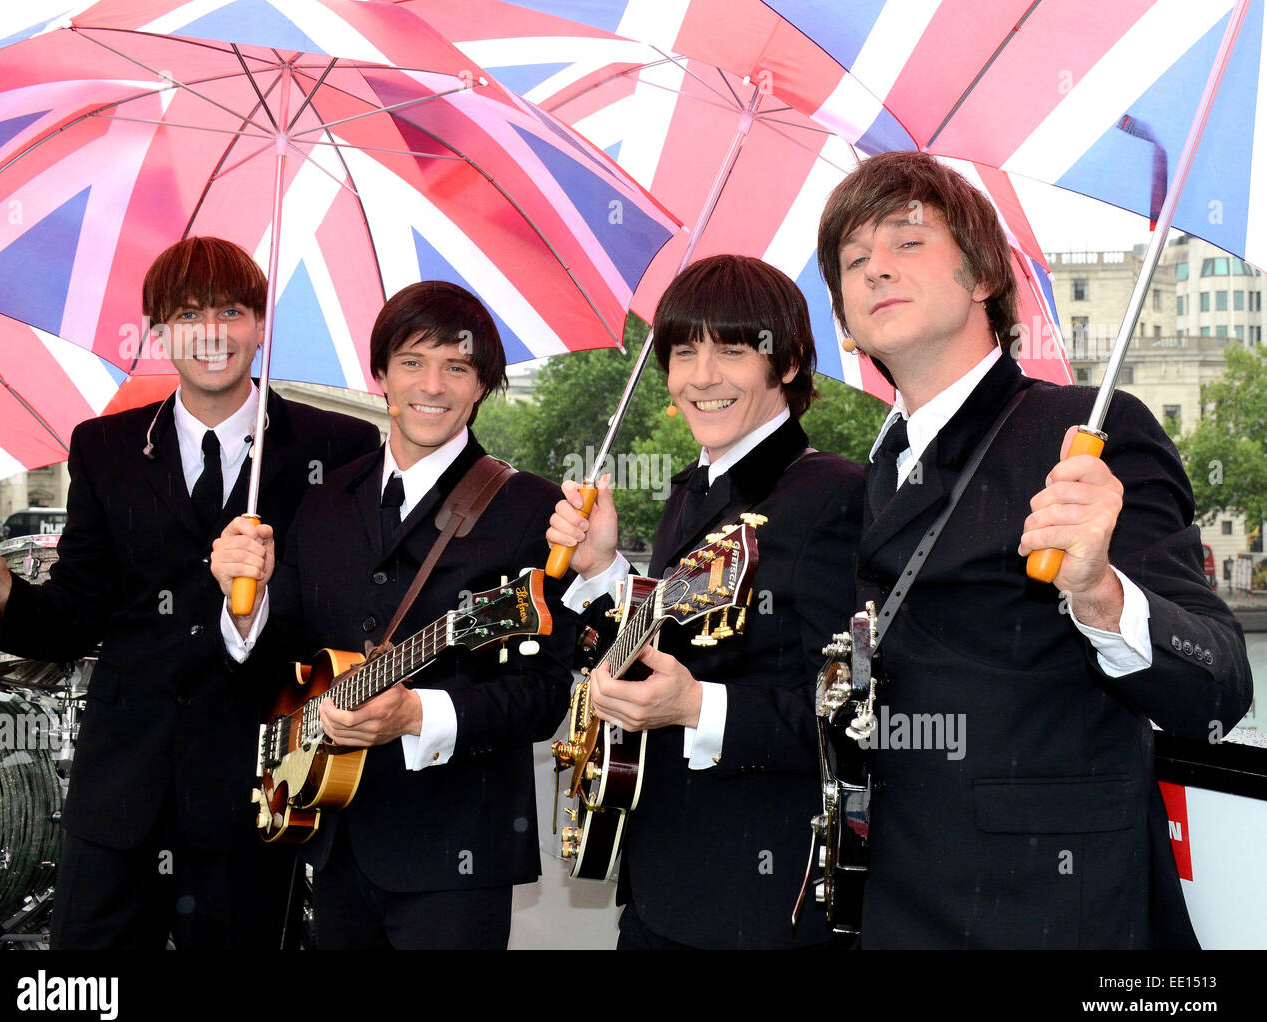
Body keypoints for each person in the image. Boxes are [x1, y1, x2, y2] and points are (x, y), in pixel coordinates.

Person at [815, 151, 1253, 948]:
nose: (875, 268)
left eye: (906, 243)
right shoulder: (881, 466)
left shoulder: (1086, 432)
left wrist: (1101, 594)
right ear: (842, 315)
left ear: (982, 274)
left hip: (1048, 909)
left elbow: (1219, 686)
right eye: (851, 261)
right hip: (899, 897)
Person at [0, 237, 380, 948]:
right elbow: (70, 622)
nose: (212, 332)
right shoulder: (107, 448)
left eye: (231, 310)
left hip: (258, 789)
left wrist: (260, 599)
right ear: (159, 331)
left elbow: (345, 618)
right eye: (189, 313)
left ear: (259, 327)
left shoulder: (336, 448)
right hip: (121, 793)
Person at [211, 281, 574, 950]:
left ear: (481, 387)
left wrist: (417, 715)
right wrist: (245, 605)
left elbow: (546, 694)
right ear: (379, 375)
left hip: (456, 857)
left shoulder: (530, 509)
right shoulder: (321, 504)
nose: (431, 384)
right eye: (411, 361)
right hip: (328, 832)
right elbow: (283, 656)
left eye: (456, 366)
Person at [547, 254, 864, 949]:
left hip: (761, 904)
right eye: (684, 351)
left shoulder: (834, 495)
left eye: (732, 349)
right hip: (661, 886)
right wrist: (602, 570)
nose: (701, 377)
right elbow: (653, 652)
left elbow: (849, 721)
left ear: (786, 365)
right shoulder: (692, 488)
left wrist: (699, 708)